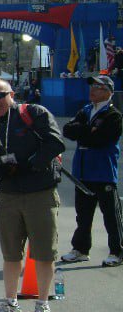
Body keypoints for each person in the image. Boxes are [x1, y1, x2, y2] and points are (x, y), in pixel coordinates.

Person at [0, 78, 65, 312]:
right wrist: (0, 170)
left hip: (40, 193)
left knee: (44, 253)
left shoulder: (33, 113)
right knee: (11, 253)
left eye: (0, 95)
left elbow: (55, 142)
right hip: (8, 196)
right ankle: (10, 304)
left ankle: (43, 305)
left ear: (12, 94)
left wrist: (31, 164)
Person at [60, 75, 123, 267]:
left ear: (108, 92)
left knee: (111, 215)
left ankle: (117, 251)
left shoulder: (113, 115)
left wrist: (83, 132)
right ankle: (80, 249)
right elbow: (68, 130)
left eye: (98, 87)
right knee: (83, 214)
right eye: (92, 86)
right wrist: (88, 130)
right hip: (82, 171)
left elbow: (101, 139)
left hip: (103, 171)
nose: (92, 90)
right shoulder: (86, 110)